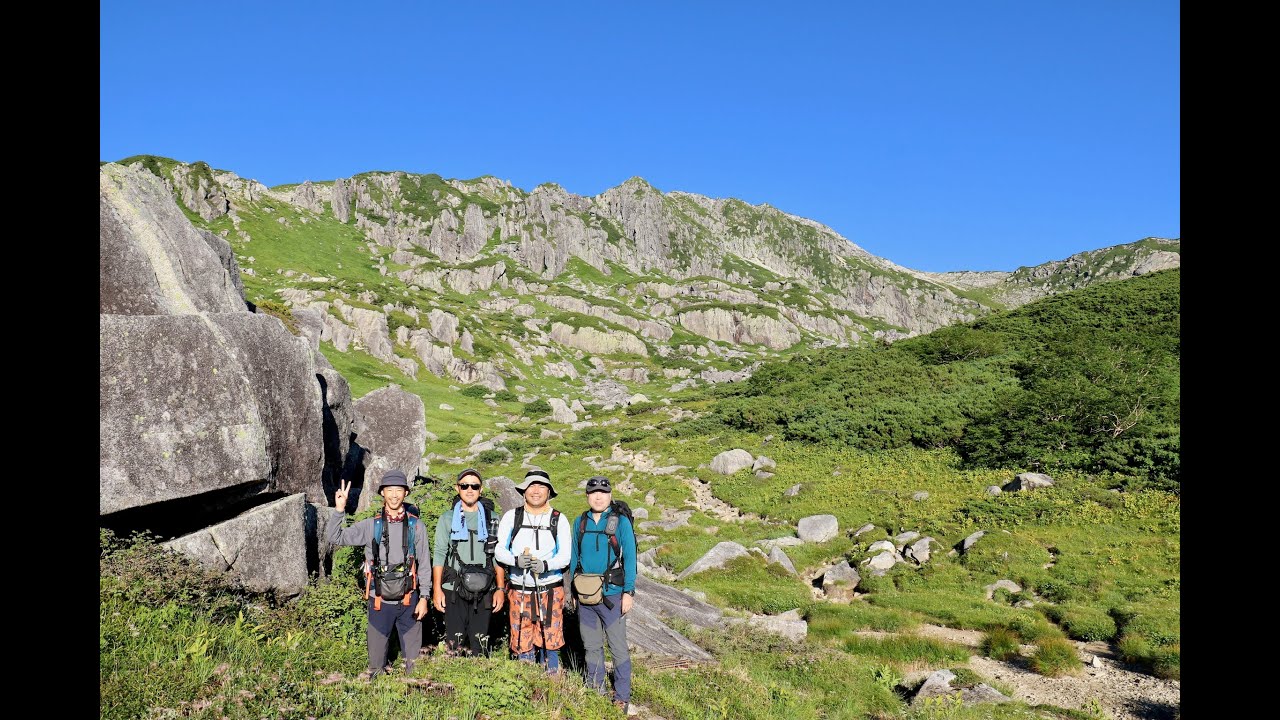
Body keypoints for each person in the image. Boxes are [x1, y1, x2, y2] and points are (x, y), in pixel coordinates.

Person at [329, 469, 431, 677]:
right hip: (378, 601)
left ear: (406, 493)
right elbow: (335, 537)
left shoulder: (416, 526)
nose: (394, 495)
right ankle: (377, 698)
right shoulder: (370, 526)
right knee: (375, 667)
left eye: (399, 490)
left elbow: (425, 564)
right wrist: (340, 509)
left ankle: (415, 698)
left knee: (415, 666)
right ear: (382, 493)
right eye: (389, 490)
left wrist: (425, 597)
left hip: (408, 600)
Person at [568, 475, 637, 715]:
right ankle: (594, 690)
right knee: (591, 646)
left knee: (618, 647)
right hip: (586, 597)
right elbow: (574, 558)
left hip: (613, 595)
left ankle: (622, 696)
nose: (598, 496)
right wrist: (573, 591)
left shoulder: (621, 523)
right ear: (587, 495)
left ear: (610, 495)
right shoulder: (580, 522)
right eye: (593, 492)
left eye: (603, 492)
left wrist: (628, 592)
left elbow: (630, 558)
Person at [494, 468, 572, 672]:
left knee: (550, 637)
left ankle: (551, 682)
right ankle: (526, 681)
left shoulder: (558, 519)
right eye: (531, 486)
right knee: (520, 637)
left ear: (549, 492)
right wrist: (516, 560)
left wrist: (546, 565)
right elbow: (499, 550)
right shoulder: (512, 517)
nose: (535, 490)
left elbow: (565, 557)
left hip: (551, 589)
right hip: (519, 589)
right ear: (523, 491)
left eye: (541, 486)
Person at [431, 468, 506, 656]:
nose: (469, 489)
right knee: (454, 643)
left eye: (475, 486)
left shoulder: (493, 519)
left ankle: (478, 682)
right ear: (458, 488)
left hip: (485, 589)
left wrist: (500, 589)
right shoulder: (447, 519)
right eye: (465, 485)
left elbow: (499, 557)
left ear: (481, 490)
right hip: (453, 588)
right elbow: (439, 554)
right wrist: (437, 589)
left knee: (480, 643)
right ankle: (453, 683)